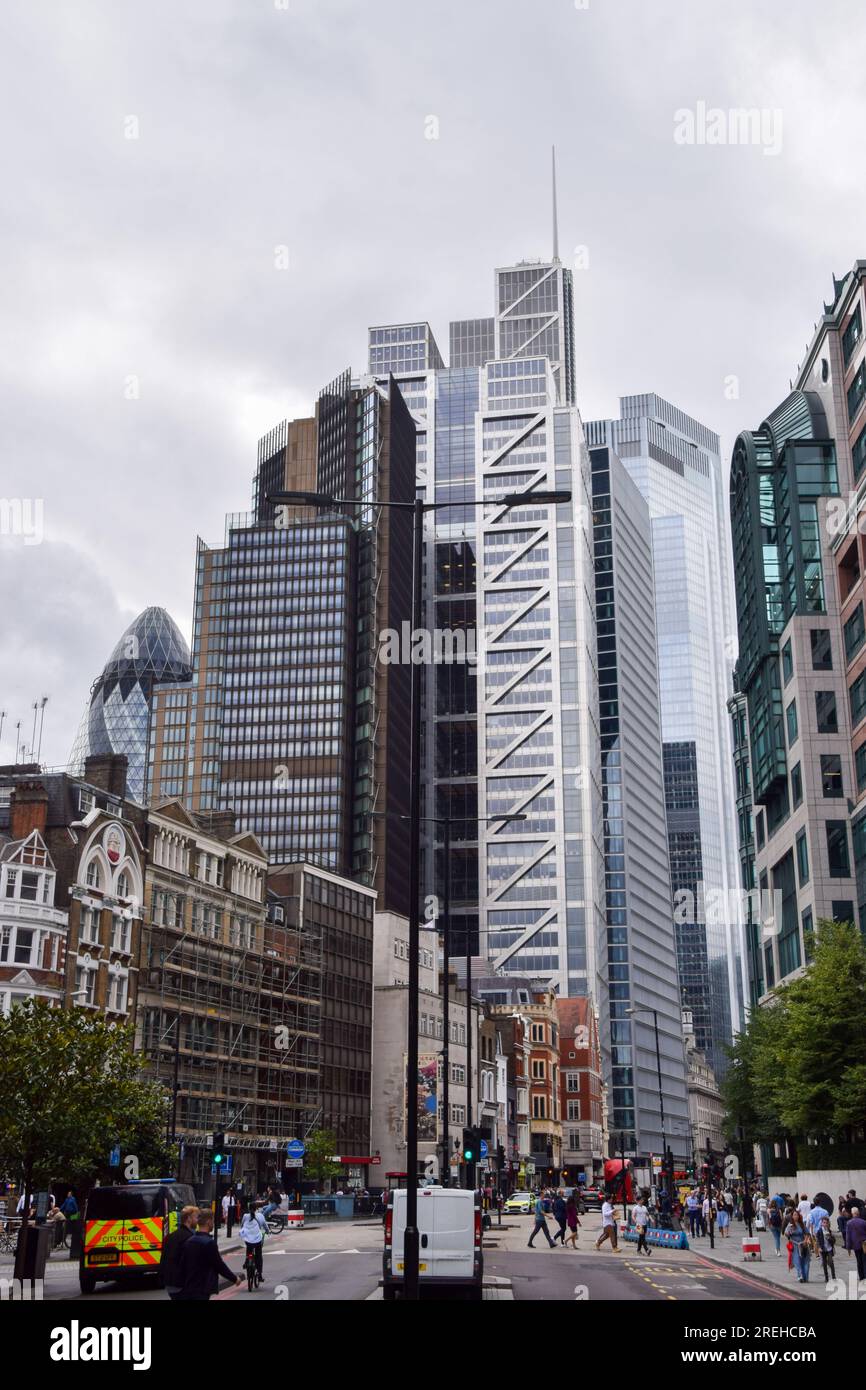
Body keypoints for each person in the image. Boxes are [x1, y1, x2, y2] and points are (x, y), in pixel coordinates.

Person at [174, 1208, 242, 1301]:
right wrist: (234, 1279)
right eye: (213, 1220)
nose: (213, 1223)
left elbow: (182, 1265)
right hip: (202, 1288)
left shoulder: (189, 1241)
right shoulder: (209, 1243)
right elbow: (219, 1265)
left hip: (189, 1287)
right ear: (209, 1222)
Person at [162, 1204, 199, 1300]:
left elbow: (163, 1259)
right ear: (189, 1219)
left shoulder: (170, 1237)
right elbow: (191, 1263)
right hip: (182, 1284)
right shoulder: (190, 1238)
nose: (197, 1220)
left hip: (169, 1284)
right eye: (196, 1217)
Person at [240, 1204, 267, 1284]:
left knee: (249, 1248)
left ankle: (246, 1261)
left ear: (249, 1209)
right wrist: (268, 1232)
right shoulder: (260, 1216)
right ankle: (259, 1275)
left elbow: (241, 1226)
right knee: (258, 1255)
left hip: (247, 1239)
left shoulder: (245, 1216)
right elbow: (265, 1226)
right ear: (256, 1209)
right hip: (257, 1240)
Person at [785, 1210, 812, 1284]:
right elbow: (786, 1234)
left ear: (799, 1216)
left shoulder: (802, 1224)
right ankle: (800, 1276)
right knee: (797, 1261)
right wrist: (789, 1231)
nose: (795, 1216)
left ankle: (805, 1277)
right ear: (792, 1217)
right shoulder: (790, 1225)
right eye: (794, 1215)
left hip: (803, 1245)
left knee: (805, 1261)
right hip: (795, 1245)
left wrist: (805, 1241)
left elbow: (807, 1233)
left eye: (796, 1215)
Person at [844, 1205, 866, 1283]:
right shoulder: (863, 1222)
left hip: (856, 1245)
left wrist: (848, 1247)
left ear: (852, 1213)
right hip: (864, 1244)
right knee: (865, 1260)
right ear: (858, 1213)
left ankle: (861, 1277)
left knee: (859, 1261)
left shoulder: (849, 1223)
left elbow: (848, 1236)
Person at [816, 1217, 837, 1286]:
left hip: (829, 1249)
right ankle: (826, 1277)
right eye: (823, 1223)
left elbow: (834, 1241)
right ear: (821, 1223)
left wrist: (829, 1238)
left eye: (826, 1223)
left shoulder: (829, 1231)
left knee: (831, 1262)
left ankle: (833, 1277)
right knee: (824, 1263)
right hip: (823, 1249)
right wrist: (819, 1248)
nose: (825, 1224)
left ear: (828, 1224)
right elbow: (817, 1240)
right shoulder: (819, 1231)